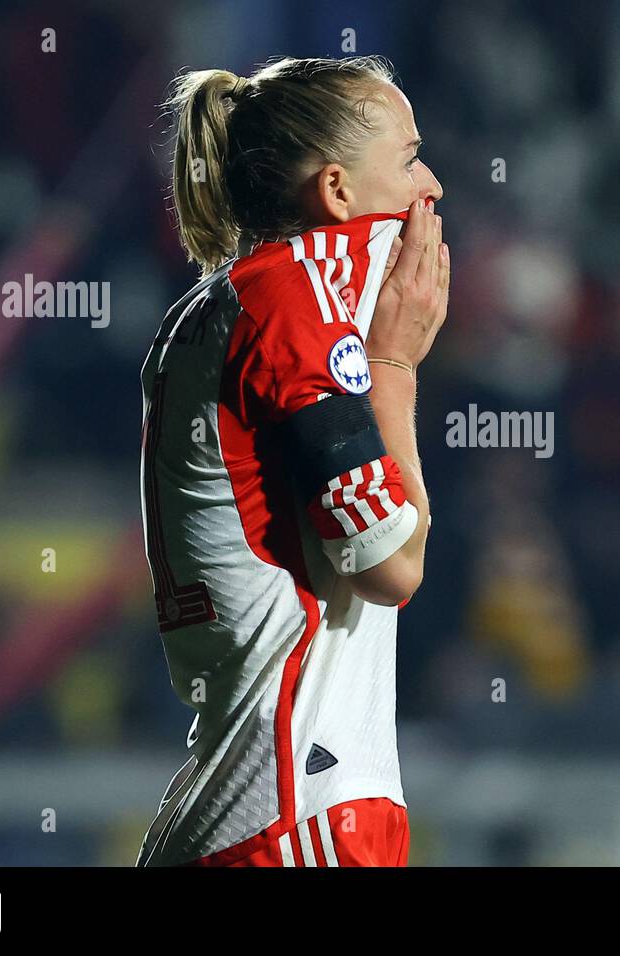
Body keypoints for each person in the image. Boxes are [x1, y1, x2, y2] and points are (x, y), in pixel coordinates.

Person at [135, 55, 447, 867]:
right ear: (339, 192)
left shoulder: (215, 308)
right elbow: (390, 561)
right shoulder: (292, 300)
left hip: (241, 805)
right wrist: (395, 367)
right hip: (300, 811)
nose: (433, 188)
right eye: (411, 159)